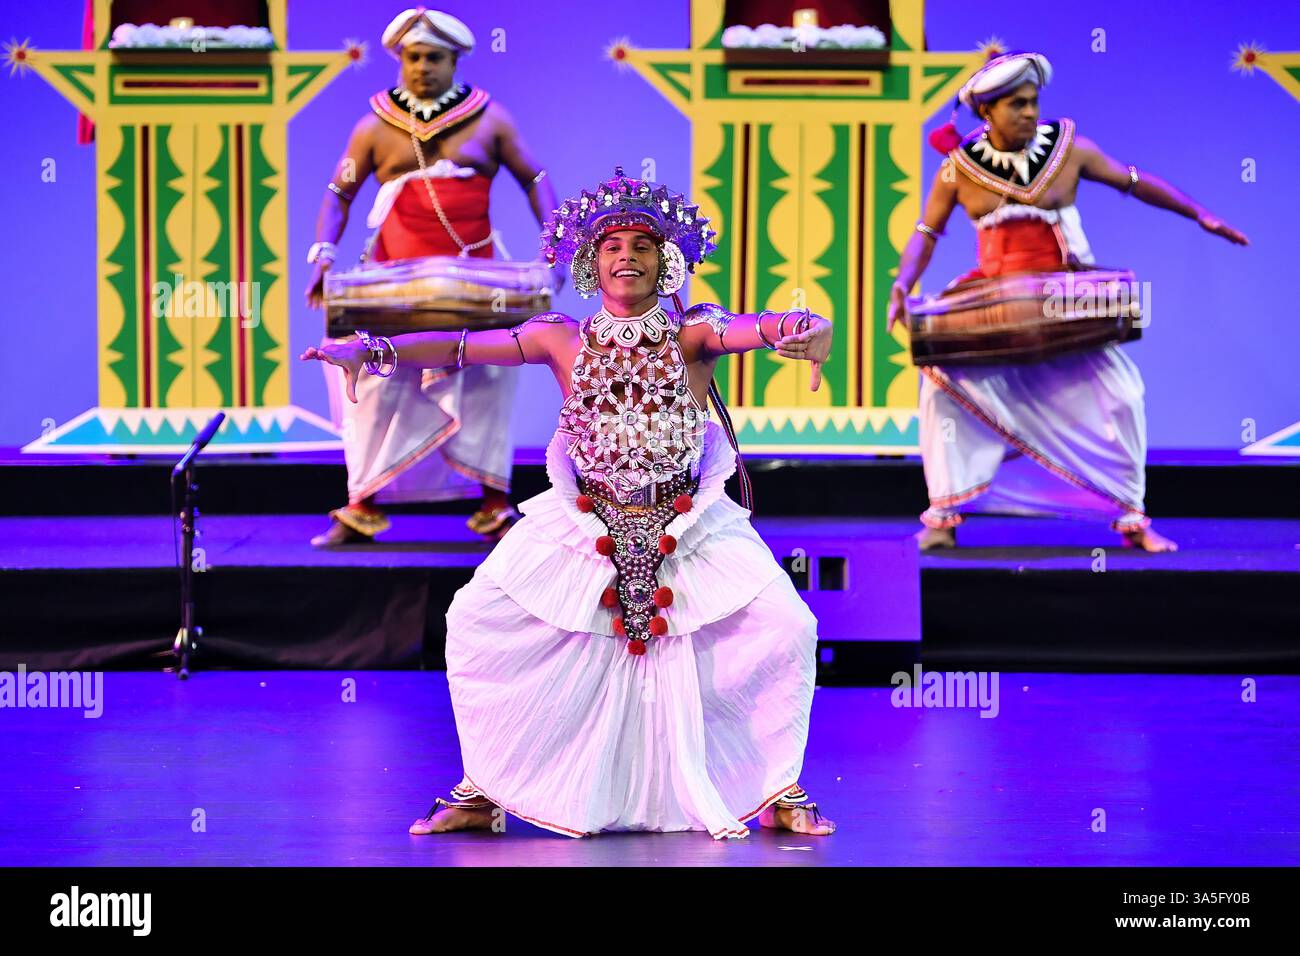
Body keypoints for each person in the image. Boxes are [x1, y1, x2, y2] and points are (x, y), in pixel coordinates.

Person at [302, 168, 837, 839]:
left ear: (666, 261)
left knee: (785, 626)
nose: (626, 257)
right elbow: (464, 348)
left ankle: (776, 786)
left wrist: (807, 326)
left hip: (688, 523)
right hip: (583, 522)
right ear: (590, 261)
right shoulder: (562, 336)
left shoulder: (694, 331)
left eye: (642, 246)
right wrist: (375, 350)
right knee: (475, 617)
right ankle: (485, 788)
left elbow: (757, 328)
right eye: (612, 246)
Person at [891, 51, 1248, 552]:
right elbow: (927, 232)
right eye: (1017, 104)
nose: (1031, 113)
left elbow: (1132, 180)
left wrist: (1200, 214)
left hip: (1066, 300)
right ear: (987, 112)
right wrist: (902, 283)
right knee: (942, 391)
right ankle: (944, 518)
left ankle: (1131, 519)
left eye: (1034, 103)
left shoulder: (1070, 149)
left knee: (1121, 397)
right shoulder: (958, 169)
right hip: (995, 303)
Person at [304, 8, 560, 546]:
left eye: (434, 58)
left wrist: (555, 250)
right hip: (391, 281)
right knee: (374, 381)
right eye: (413, 57)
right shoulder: (374, 126)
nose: (422, 67)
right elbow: (338, 192)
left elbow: (535, 178)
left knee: (487, 380)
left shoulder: (490, 120)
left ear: (455, 60)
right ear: (400, 60)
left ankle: (493, 506)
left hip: (476, 281)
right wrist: (324, 255)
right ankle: (361, 506)